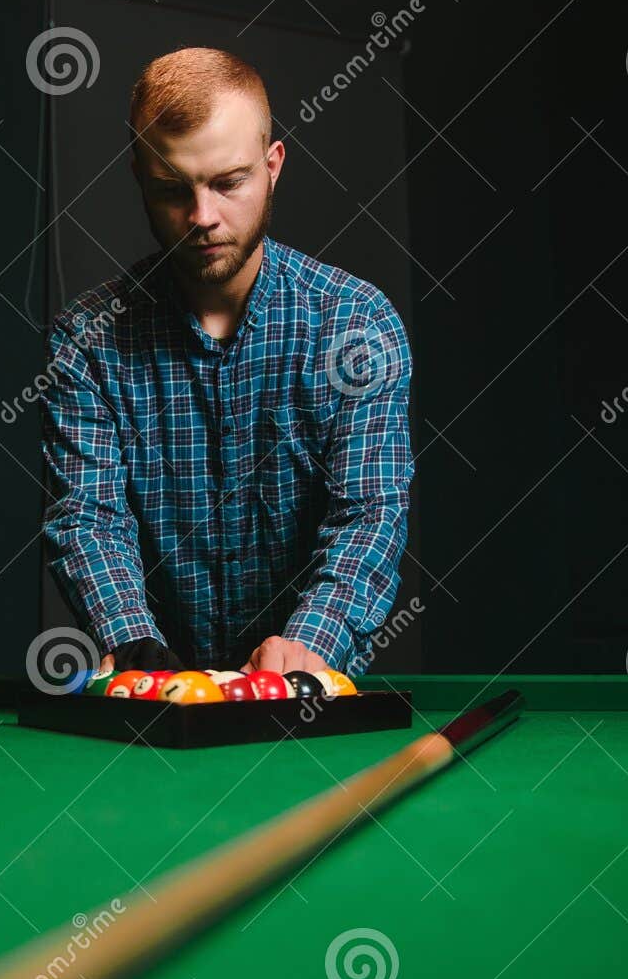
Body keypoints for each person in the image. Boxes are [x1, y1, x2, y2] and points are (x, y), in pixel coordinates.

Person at [40, 46, 413, 677]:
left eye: (228, 182)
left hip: (303, 706)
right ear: (139, 177)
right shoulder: (85, 341)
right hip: (151, 722)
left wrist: (311, 643)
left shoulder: (357, 325)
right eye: (171, 189)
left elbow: (370, 511)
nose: (202, 218)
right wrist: (132, 642)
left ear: (273, 167)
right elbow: (89, 514)